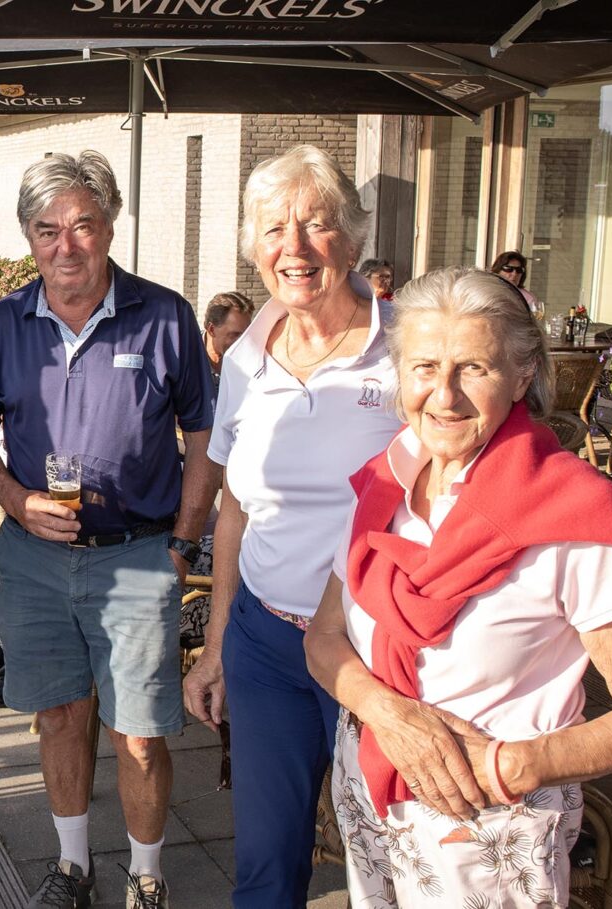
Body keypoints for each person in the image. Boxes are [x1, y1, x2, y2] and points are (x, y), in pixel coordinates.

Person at [305, 266, 612, 907]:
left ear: (523, 375)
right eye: (425, 367)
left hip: (495, 825)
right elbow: (323, 639)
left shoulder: (577, 513)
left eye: (474, 369)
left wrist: (514, 766)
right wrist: (388, 714)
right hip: (372, 798)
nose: (445, 395)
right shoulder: (383, 483)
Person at [0, 150, 218, 909]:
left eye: (82, 226)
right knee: (59, 715)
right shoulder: (5, 324)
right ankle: (73, 867)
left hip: (138, 555)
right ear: (27, 239)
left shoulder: (165, 314)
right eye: (46, 231)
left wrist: (182, 542)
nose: (65, 246)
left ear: (109, 227)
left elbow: (204, 438)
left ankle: (146, 875)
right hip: (36, 557)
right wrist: (13, 497)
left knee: (138, 730)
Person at [181, 144, 404, 907]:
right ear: (253, 246)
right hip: (267, 644)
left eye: (316, 225)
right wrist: (214, 648)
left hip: (380, 654)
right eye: (275, 228)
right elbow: (236, 502)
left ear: (353, 235)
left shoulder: (410, 350)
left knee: (390, 861)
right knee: (268, 867)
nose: (295, 248)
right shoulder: (245, 356)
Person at [202, 290, 255, 391]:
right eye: (235, 335)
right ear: (211, 329)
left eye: (246, 334)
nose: (243, 342)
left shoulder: (252, 360)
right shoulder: (185, 360)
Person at [490, 250, 542, 317]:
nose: (514, 274)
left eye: (519, 270)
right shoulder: (485, 292)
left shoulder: (527, 298)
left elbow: (532, 322)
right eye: (508, 269)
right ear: (497, 270)